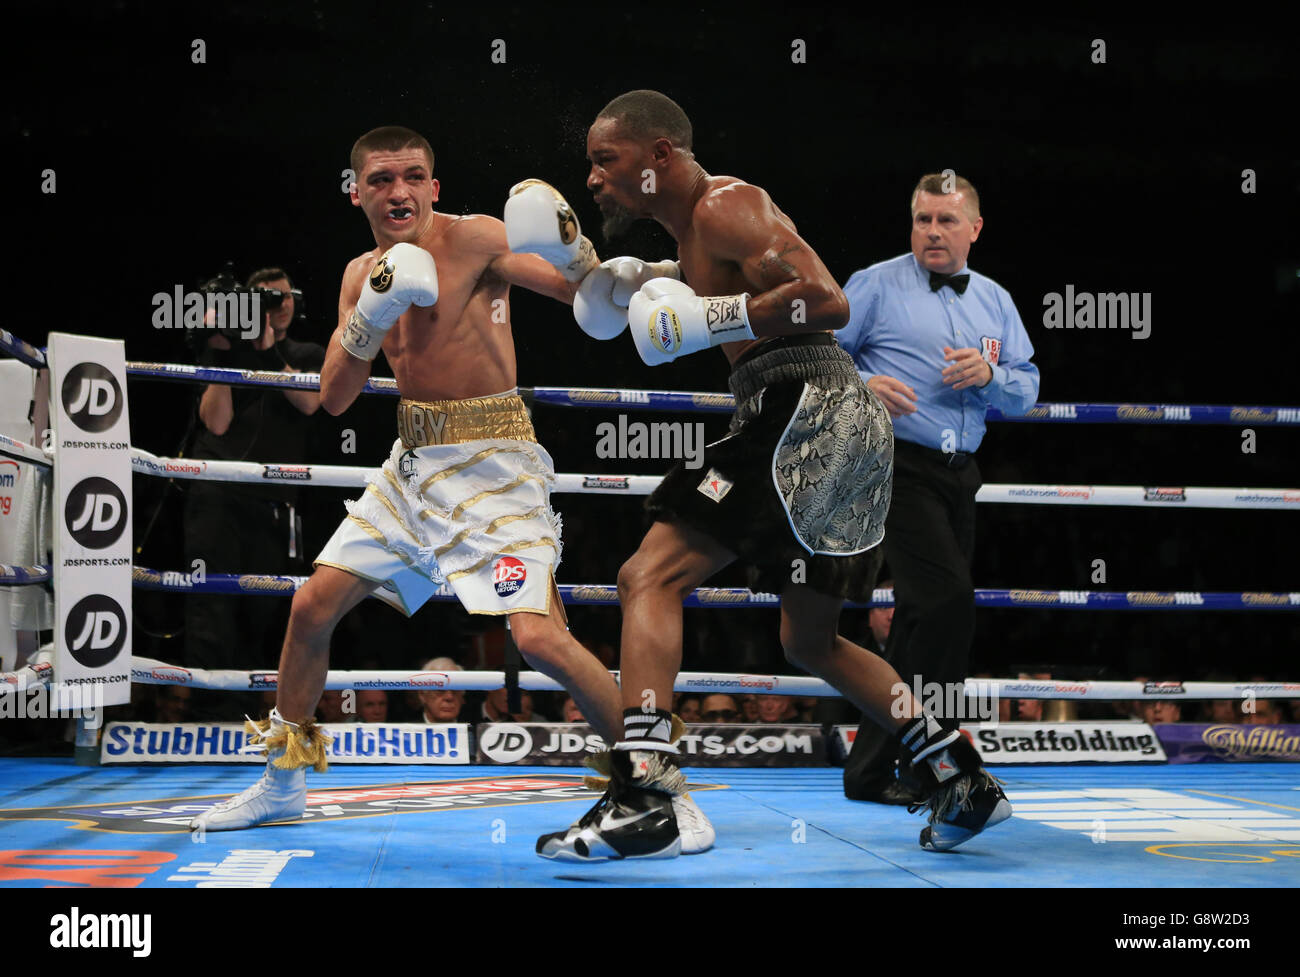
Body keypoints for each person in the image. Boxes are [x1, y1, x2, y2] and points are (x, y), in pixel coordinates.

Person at [190, 126, 712, 856]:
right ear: (356, 191)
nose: (397, 191)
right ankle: (283, 779)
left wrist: (602, 265)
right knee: (311, 606)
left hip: (496, 458)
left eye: (411, 176)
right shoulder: (355, 273)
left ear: (433, 185)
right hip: (412, 461)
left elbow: (582, 300)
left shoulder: (477, 238)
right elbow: (335, 398)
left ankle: (661, 786)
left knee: (536, 638)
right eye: (379, 179)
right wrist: (371, 311)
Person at [536, 91, 1010, 860]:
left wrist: (709, 319)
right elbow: (733, 289)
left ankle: (645, 788)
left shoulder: (728, 203)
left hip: (802, 407)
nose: (592, 179)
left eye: (604, 160)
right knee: (810, 638)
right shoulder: (693, 233)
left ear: (660, 156)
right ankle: (958, 773)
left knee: (646, 576)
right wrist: (636, 277)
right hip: (835, 422)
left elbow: (827, 300)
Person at [835, 172, 1040, 804]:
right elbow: (815, 355)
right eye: (922, 218)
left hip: (960, 477)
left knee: (923, 618)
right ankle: (934, 761)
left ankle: (872, 770)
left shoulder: (996, 300)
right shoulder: (874, 283)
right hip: (891, 462)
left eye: (946, 220)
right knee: (948, 600)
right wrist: (860, 384)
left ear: (974, 228)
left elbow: (1028, 387)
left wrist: (992, 375)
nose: (931, 231)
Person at [184, 267, 324, 719]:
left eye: (280, 298)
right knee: (211, 608)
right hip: (218, 497)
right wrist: (223, 350)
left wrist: (266, 347)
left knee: (263, 615)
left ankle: (245, 718)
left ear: (294, 303)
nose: (273, 306)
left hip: (274, 505)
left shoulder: (306, 353)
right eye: (261, 299)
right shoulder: (224, 350)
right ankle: (206, 718)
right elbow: (217, 423)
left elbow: (310, 402)